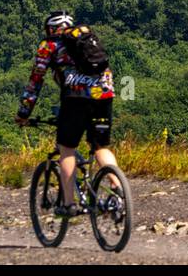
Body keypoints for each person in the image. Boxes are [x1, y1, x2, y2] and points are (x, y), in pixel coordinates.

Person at [15, 11, 118, 216]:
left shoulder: (49, 45)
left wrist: (24, 113)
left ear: (51, 29)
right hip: (105, 94)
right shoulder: (87, 39)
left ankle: (69, 204)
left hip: (75, 98)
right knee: (100, 147)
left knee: (67, 148)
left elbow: (36, 80)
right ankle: (118, 187)